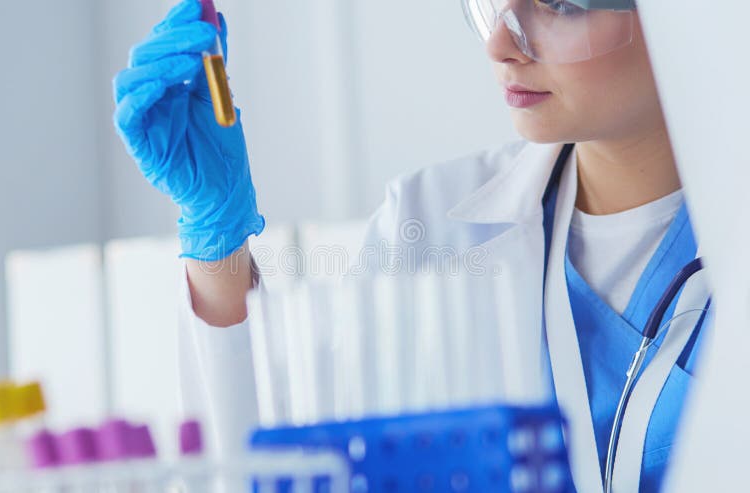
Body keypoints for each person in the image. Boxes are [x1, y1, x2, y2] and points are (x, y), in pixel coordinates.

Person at [113, 0, 711, 490]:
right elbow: (278, 471)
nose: (499, 44)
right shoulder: (426, 225)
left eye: (557, 4)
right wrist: (217, 241)